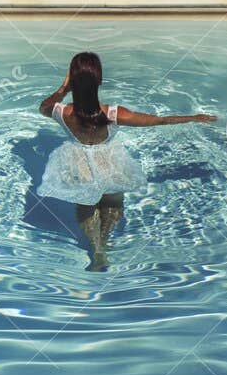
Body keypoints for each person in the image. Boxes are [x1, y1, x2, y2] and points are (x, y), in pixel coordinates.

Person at [37, 52, 216, 271]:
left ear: (72, 82)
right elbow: (158, 121)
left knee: (85, 205)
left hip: (78, 163)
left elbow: (43, 107)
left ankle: (95, 248)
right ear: (99, 81)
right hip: (110, 163)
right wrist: (193, 118)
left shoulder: (62, 112)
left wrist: (63, 89)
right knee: (113, 204)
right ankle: (104, 241)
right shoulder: (114, 113)